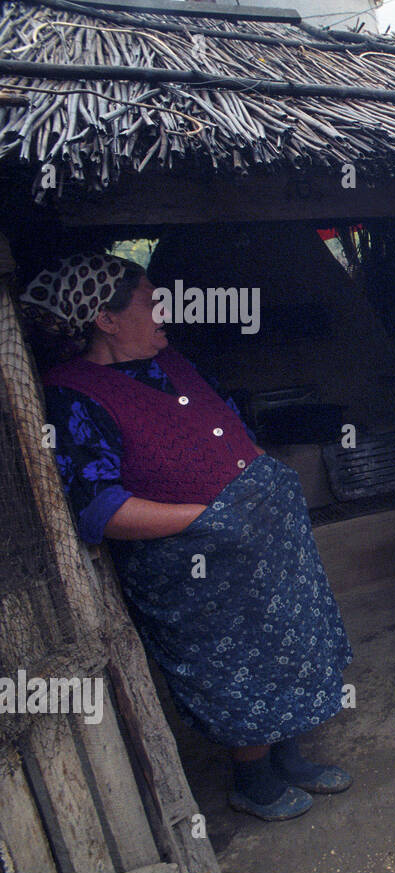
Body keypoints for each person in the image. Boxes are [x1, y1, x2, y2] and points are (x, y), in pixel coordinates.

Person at [22, 253, 353, 822]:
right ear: (105, 319)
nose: (164, 310)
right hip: (193, 563)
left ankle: (290, 757)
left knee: (291, 641)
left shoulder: (170, 362)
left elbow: (227, 423)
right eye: (150, 301)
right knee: (239, 664)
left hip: (260, 544)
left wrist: (256, 480)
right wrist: (205, 518)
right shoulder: (73, 395)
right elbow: (100, 509)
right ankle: (252, 780)